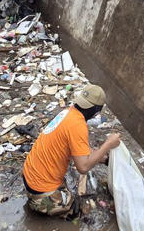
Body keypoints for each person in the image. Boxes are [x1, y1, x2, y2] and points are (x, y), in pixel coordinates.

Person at [22, 84, 121, 216]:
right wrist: (107, 145)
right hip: (40, 189)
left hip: (29, 175)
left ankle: (40, 199)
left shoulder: (69, 113)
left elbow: (80, 149)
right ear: (97, 110)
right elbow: (83, 167)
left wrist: (105, 159)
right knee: (79, 210)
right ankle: (41, 204)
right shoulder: (78, 125)